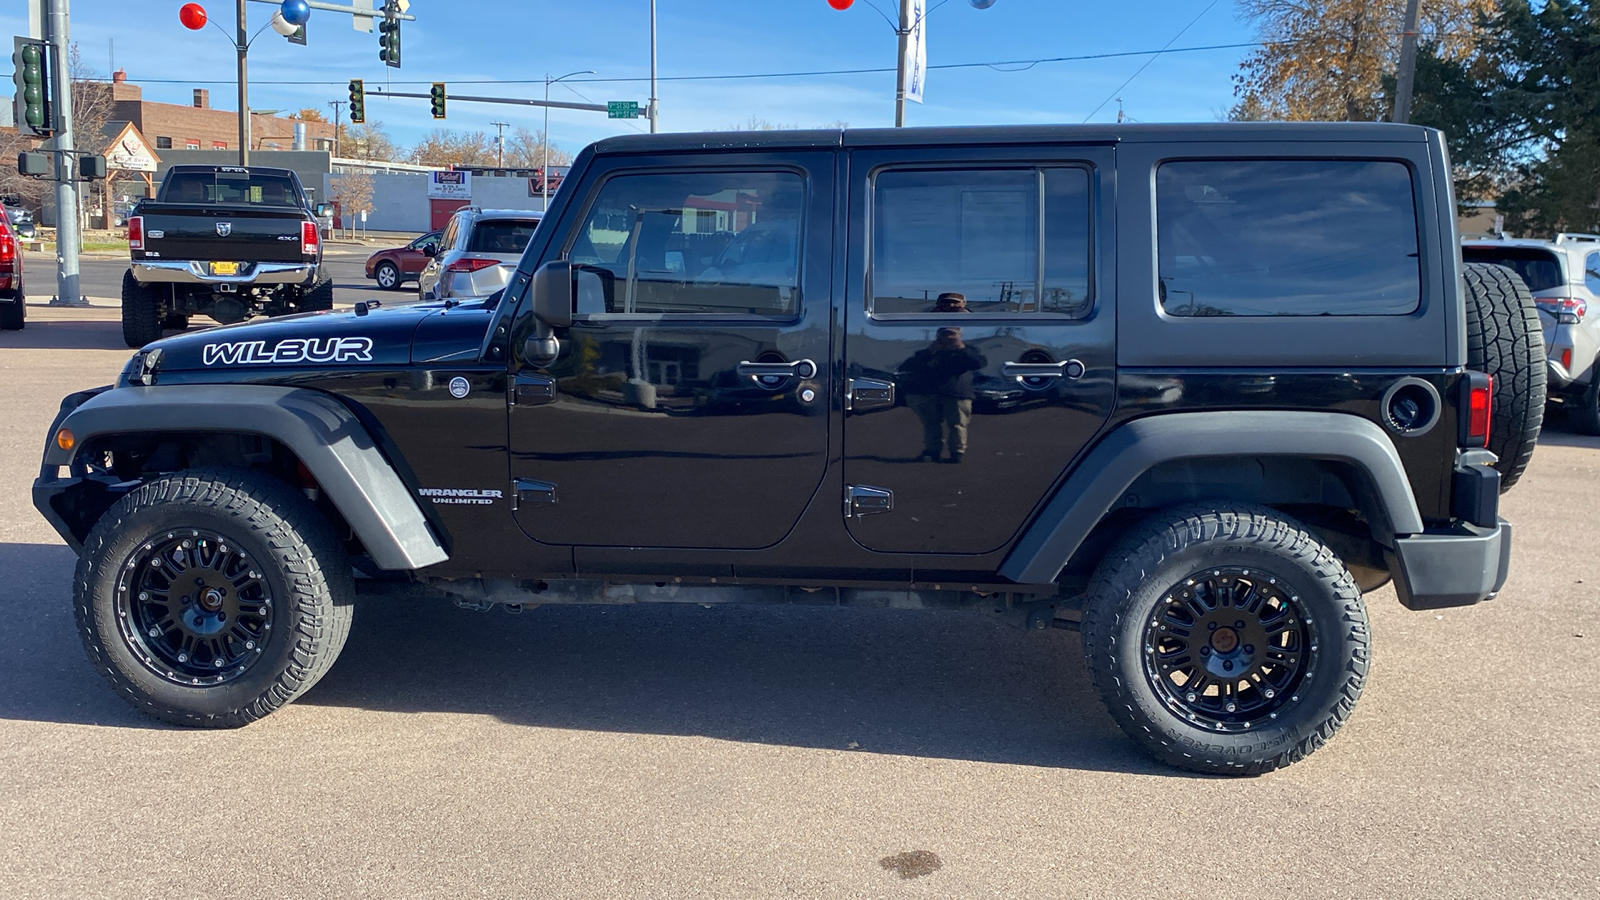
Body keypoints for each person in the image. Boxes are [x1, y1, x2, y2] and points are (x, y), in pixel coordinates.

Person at [900, 326, 985, 463]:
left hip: (957, 392)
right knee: (931, 423)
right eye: (943, 334)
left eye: (951, 334)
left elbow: (978, 363)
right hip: (929, 392)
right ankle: (932, 450)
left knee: (958, 424)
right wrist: (930, 351)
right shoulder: (929, 353)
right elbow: (907, 367)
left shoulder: (968, 351)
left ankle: (957, 452)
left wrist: (960, 347)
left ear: (959, 335)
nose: (947, 338)